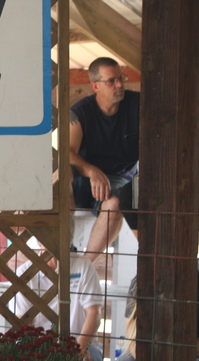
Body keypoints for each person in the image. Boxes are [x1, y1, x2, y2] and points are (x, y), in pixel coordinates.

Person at [12, 250, 103, 361]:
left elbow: (93, 313)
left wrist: (81, 347)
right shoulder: (25, 271)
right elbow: (23, 324)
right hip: (39, 345)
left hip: (77, 344)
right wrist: (38, 357)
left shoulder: (82, 265)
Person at [68, 57, 140, 262]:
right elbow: (67, 152)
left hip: (119, 180)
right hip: (84, 179)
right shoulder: (80, 112)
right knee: (61, 175)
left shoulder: (139, 105)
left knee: (117, 203)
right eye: (111, 81)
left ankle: (85, 266)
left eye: (121, 78)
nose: (119, 85)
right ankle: (64, 247)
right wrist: (92, 172)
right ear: (95, 86)